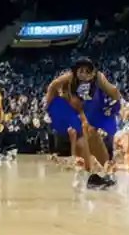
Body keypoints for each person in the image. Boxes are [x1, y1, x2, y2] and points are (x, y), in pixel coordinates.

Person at [45, 59, 114, 189]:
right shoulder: (60, 97)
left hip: (72, 129)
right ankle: (89, 175)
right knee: (82, 140)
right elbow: (54, 85)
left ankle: (95, 174)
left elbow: (84, 116)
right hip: (62, 131)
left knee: (91, 135)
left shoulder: (79, 98)